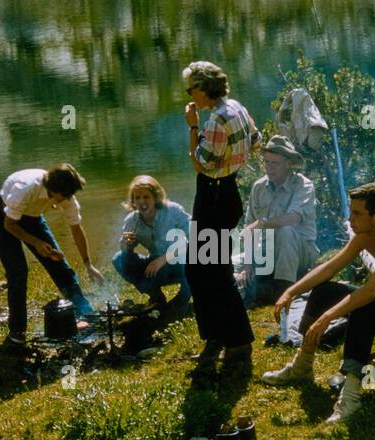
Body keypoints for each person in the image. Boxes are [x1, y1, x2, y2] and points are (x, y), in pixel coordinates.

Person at [262, 183, 375, 423]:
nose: (350, 218)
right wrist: (291, 291)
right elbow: (331, 267)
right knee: (324, 290)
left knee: (363, 309)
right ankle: (303, 364)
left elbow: (370, 291)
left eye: (357, 213)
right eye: (351, 212)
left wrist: (328, 317)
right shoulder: (365, 235)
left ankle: (352, 396)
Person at [181, 60, 261, 369]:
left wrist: (192, 126)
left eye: (191, 89)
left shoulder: (214, 121)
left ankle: (238, 342)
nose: (189, 95)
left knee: (209, 272)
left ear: (203, 89)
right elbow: (255, 142)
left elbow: (200, 163)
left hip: (213, 195)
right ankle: (216, 336)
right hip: (228, 193)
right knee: (203, 269)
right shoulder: (237, 108)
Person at [0, 163, 105, 345]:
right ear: (54, 189)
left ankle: (86, 313)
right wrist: (37, 243)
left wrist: (88, 264)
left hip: (32, 216)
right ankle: (17, 332)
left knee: (59, 266)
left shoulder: (65, 194)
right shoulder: (25, 188)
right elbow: (10, 225)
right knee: (18, 273)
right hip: (4, 217)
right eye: (65, 196)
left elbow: (76, 228)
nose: (68, 199)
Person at [234, 135, 318, 307]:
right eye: (267, 162)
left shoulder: (303, 185)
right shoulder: (258, 187)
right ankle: (260, 288)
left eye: (275, 163)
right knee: (227, 266)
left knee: (286, 231)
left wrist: (262, 222)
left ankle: (282, 289)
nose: (269, 168)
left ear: (289, 164)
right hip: (267, 251)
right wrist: (248, 265)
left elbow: (293, 219)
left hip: (300, 251)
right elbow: (250, 227)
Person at [112, 175, 192, 311]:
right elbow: (126, 253)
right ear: (133, 201)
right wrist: (127, 246)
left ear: (156, 197)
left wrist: (165, 258)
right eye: (137, 198)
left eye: (146, 197)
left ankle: (182, 299)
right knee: (119, 258)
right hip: (157, 267)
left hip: (181, 263)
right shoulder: (132, 220)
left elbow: (195, 237)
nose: (142, 202)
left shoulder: (173, 210)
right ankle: (157, 298)